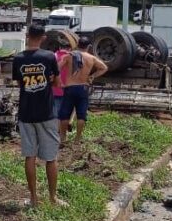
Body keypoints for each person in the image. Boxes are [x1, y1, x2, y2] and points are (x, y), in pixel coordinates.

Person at [12, 24, 63, 208]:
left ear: (27, 36)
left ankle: (33, 199)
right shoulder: (49, 57)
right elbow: (58, 83)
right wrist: (47, 80)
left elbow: (20, 84)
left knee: (30, 156)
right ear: (43, 37)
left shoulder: (18, 59)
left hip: (26, 114)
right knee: (51, 158)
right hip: (47, 113)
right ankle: (52, 198)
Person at [58, 36, 109, 143]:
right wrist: (92, 76)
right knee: (81, 114)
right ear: (89, 46)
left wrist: (60, 82)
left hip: (69, 87)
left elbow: (57, 67)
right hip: (83, 87)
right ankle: (77, 138)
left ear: (77, 45)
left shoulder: (69, 56)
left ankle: (63, 138)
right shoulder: (91, 58)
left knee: (64, 114)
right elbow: (104, 67)